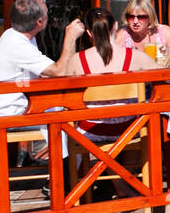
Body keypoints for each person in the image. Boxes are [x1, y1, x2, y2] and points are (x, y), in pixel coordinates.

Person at [0, 0, 84, 118]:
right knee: (63, 114)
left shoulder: (15, 35)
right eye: (46, 13)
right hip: (13, 115)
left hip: (20, 107)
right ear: (39, 22)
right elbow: (62, 72)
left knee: (63, 106)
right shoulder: (18, 44)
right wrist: (70, 37)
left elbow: (43, 72)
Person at [65, 8, 155, 140]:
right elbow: (166, 80)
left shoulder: (76, 60)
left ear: (89, 33)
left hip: (89, 134)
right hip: (129, 130)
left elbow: (65, 96)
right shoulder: (137, 57)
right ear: (116, 26)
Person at [114, 0, 170, 64]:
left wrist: (169, 54)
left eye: (141, 17)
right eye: (131, 17)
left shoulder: (163, 32)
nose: (135, 21)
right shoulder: (123, 35)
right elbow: (109, 61)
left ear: (150, 17)